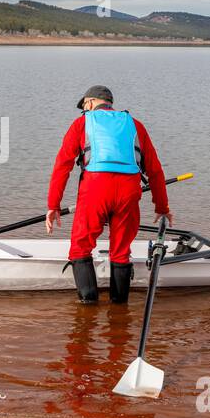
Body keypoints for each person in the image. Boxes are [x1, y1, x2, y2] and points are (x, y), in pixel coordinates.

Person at [46, 85, 172, 304]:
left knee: (81, 247)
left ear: (92, 102)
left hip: (95, 188)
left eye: (84, 105)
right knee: (121, 250)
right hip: (128, 191)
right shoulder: (135, 125)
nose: (84, 110)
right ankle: (119, 307)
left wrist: (53, 205)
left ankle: (88, 306)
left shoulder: (81, 123)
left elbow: (62, 166)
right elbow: (155, 170)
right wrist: (162, 208)